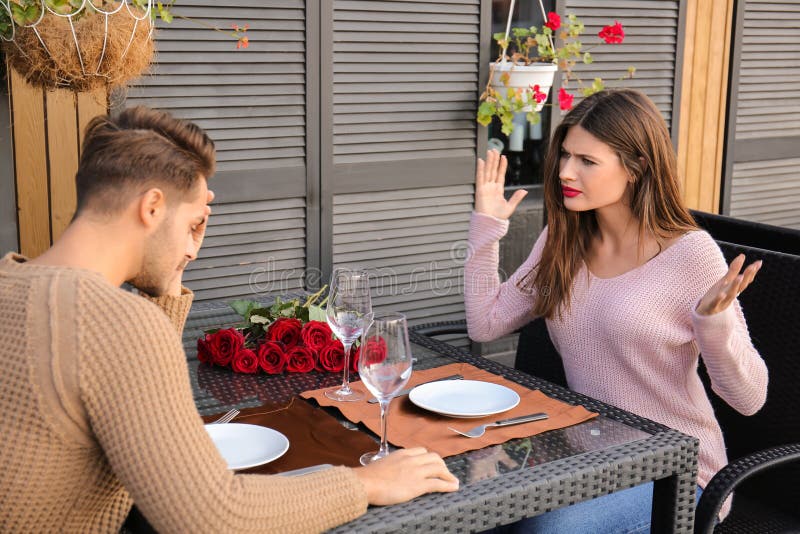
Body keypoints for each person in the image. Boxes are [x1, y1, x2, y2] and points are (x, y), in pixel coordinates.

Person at [0, 106, 458, 533]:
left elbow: (128, 391)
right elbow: (211, 516)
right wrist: (368, 484)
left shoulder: (15, 281)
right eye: (192, 225)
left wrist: (170, 269)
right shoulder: (115, 323)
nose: (194, 248)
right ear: (152, 207)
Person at [465, 89, 767, 533]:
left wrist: (713, 324)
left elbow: (750, 398)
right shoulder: (563, 241)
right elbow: (485, 322)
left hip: (677, 473)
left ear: (636, 167)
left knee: (546, 531)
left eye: (587, 161)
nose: (565, 172)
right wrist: (488, 226)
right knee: (478, 508)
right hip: (588, 459)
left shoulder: (690, 255)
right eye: (565, 155)